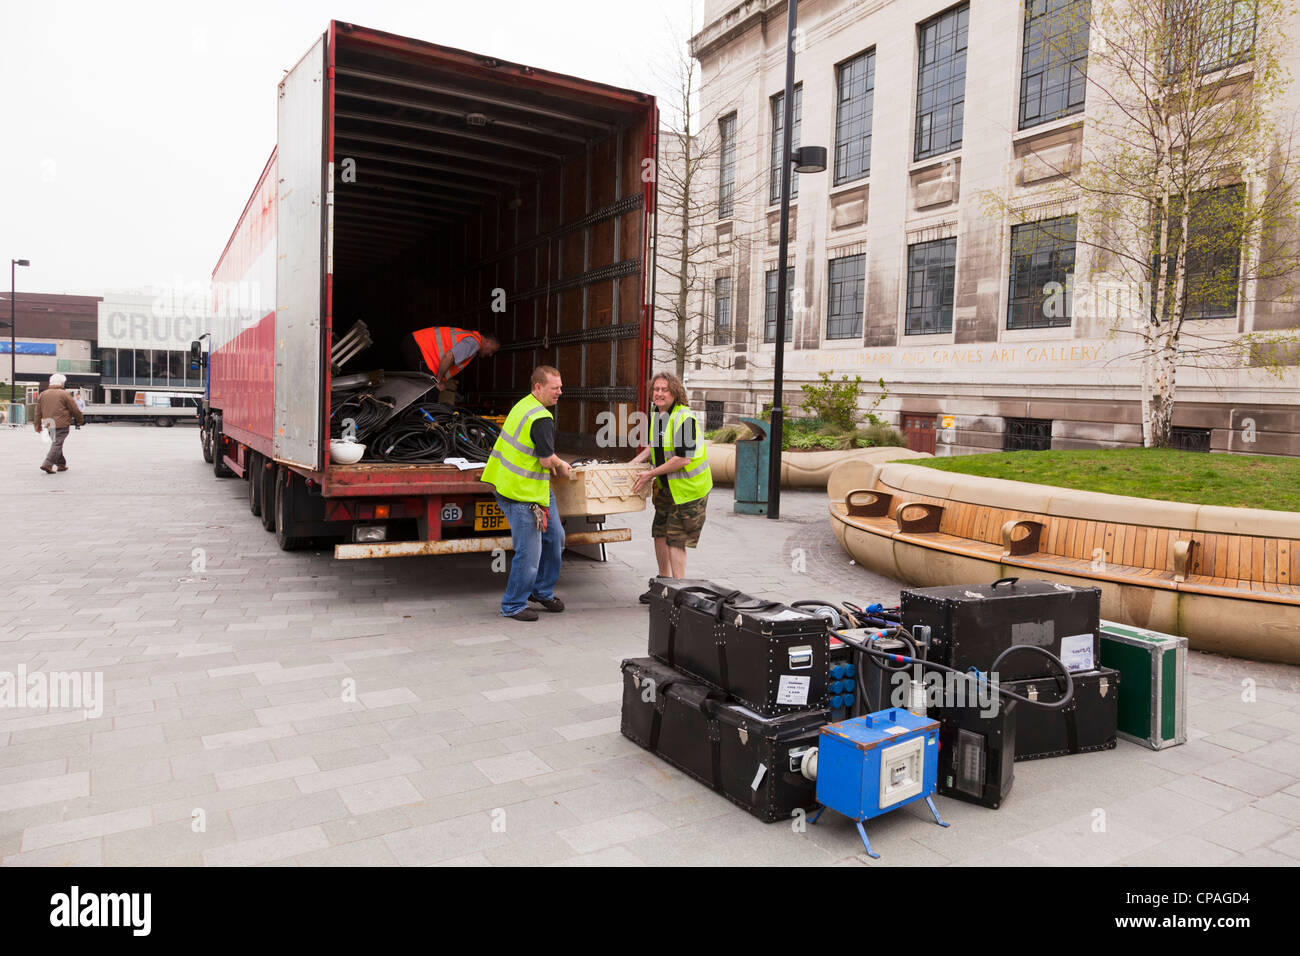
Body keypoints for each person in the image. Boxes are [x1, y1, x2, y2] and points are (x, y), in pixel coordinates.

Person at [480, 365, 572, 621]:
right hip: (520, 493)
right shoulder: (541, 418)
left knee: (556, 539)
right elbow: (545, 461)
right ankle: (513, 605)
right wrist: (563, 466)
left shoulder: (524, 405)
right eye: (555, 388)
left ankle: (541, 591)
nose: (560, 393)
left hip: (533, 488)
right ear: (538, 387)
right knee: (529, 553)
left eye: (561, 387)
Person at [630, 371, 713, 603]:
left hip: (689, 490)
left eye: (664, 389)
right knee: (659, 532)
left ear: (675, 392)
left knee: (675, 539)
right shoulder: (658, 414)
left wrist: (650, 474)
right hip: (667, 488)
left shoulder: (684, 418)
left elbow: (682, 459)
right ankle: (662, 585)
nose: (659, 393)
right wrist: (631, 465)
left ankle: (679, 593)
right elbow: (653, 447)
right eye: (656, 389)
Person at [400, 326, 500, 390]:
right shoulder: (473, 343)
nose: (490, 355)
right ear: (488, 342)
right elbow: (449, 357)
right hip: (418, 347)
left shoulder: (471, 339)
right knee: (430, 391)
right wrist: (438, 381)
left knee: (424, 389)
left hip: (414, 344)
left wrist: (442, 381)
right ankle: (423, 423)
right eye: (492, 351)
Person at [34, 373, 85, 474]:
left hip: (49, 424)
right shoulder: (64, 394)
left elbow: (37, 411)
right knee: (57, 444)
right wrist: (80, 420)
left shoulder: (43, 394)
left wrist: (37, 425)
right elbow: (74, 409)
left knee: (56, 443)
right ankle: (47, 464)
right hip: (61, 424)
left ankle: (61, 464)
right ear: (61, 382)